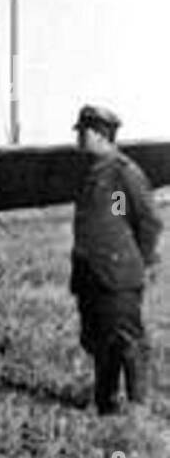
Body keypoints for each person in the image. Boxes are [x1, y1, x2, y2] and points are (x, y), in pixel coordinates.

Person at [70, 104, 162, 415]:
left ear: (98, 134)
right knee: (100, 340)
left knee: (127, 340)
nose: (79, 138)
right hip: (91, 274)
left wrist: (140, 261)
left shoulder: (124, 172)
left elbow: (147, 221)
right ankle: (105, 403)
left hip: (118, 273)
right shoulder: (93, 171)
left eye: (82, 132)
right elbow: (118, 214)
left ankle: (137, 408)